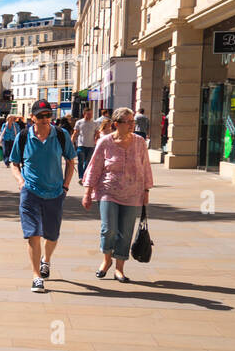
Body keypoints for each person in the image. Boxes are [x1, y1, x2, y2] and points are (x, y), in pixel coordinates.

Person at [9, 100, 77, 293]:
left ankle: (46, 260)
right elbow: (14, 163)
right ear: (32, 118)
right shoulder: (23, 137)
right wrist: (21, 182)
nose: (46, 119)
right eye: (41, 116)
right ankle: (36, 276)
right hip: (30, 192)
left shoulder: (61, 135)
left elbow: (71, 160)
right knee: (33, 234)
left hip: (55, 192)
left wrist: (65, 186)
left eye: (48, 115)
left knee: (52, 234)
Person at [81, 106, 154, 282]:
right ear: (116, 124)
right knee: (109, 229)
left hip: (133, 193)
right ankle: (106, 261)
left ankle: (119, 269)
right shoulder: (105, 142)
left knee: (126, 232)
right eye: (128, 122)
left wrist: (146, 190)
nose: (132, 125)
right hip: (108, 191)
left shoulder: (139, 142)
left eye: (132, 122)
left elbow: (145, 167)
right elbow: (95, 167)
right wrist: (87, 192)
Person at [71, 108, 97, 179]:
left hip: (91, 145)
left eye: (91, 114)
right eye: (88, 114)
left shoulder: (95, 123)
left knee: (88, 162)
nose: (90, 115)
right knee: (81, 161)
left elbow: (97, 133)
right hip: (81, 145)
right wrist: (71, 143)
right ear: (84, 114)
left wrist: (97, 141)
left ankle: (85, 175)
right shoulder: (79, 122)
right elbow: (75, 133)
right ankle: (81, 176)